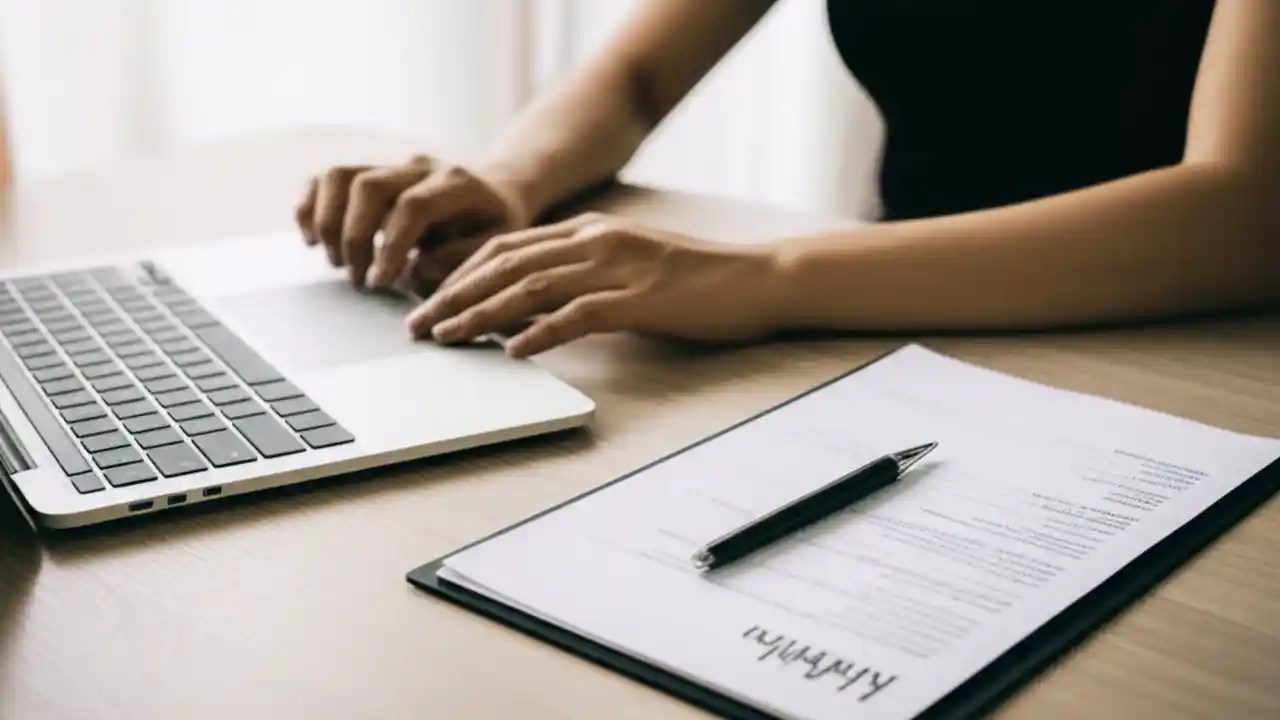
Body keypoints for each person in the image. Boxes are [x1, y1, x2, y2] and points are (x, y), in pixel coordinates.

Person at [294, 0, 1278, 358]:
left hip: (1194, 352)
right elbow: (635, 77)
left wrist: (761, 278)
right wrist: (504, 178)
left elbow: (1240, 211)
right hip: (902, 323)